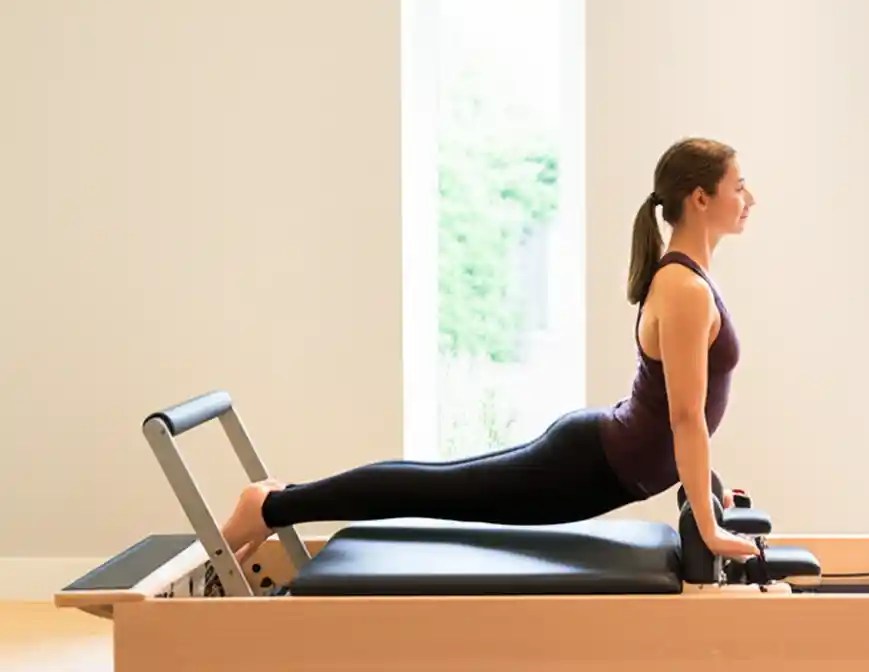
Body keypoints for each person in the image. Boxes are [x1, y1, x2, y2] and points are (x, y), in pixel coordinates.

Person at [218, 136, 759, 566]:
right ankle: (272, 506)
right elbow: (684, 415)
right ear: (700, 198)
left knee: (434, 484)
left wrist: (707, 487)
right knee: (432, 490)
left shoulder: (692, 282)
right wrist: (708, 530)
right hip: (587, 467)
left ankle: (278, 500)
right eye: (739, 186)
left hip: (595, 456)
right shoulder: (686, 289)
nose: (749, 199)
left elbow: (683, 411)